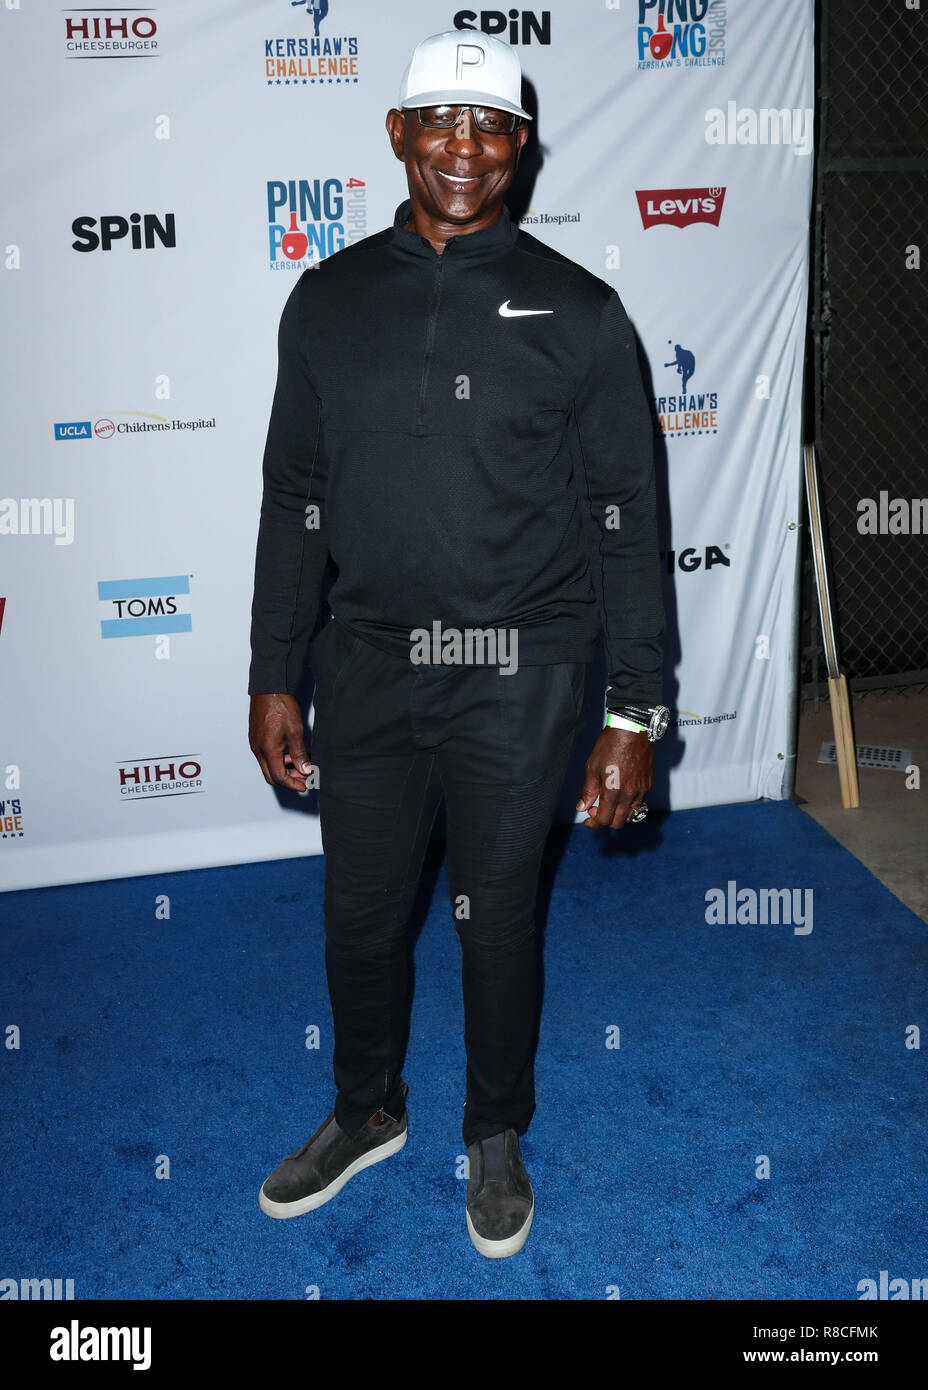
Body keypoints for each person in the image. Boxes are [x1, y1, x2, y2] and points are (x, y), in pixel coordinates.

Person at [248, 29, 668, 1259]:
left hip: (520, 672)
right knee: (359, 914)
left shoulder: (582, 316)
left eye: (489, 127)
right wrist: (275, 668)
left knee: (498, 921)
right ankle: (367, 1106)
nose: (462, 149)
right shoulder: (326, 299)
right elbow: (294, 496)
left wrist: (633, 712)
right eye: (439, 120)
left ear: (520, 148)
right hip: (367, 664)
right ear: (396, 133)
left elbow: (627, 523)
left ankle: (494, 1131)